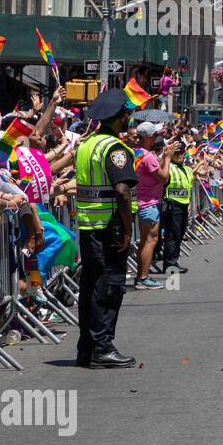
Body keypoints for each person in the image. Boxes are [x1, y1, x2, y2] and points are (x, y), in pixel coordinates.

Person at [72, 90, 139, 369]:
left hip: (88, 227)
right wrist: (126, 230)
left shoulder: (86, 145)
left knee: (90, 287)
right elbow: (122, 192)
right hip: (108, 228)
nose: (128, 119)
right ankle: (102, 347)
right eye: (126, 114)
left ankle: (86, 348)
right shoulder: (114, 149)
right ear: (117, 117)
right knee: (109, 287)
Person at [132, 123, 169, 290]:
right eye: (154, 136)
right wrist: (167, 158)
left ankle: (141, 275)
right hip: (149, 203)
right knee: (150, 241)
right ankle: (143, 278)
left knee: (143, 242)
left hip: (140, 201)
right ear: (147, 138)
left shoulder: (136, 153)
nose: (156, 138)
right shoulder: (147, 156)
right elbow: (163, 177)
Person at [161, 139, 193, 274]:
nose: (180, 155)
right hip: (172, 206)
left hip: (184, 205)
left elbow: (188, 188)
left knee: (179, 235)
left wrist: (189, 203)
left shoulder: (187, 169)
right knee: (172, 236)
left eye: (182, 152)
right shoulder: (169, 167)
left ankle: (173, 260)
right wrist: (166, 157)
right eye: (177, 153)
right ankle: (170, 264)